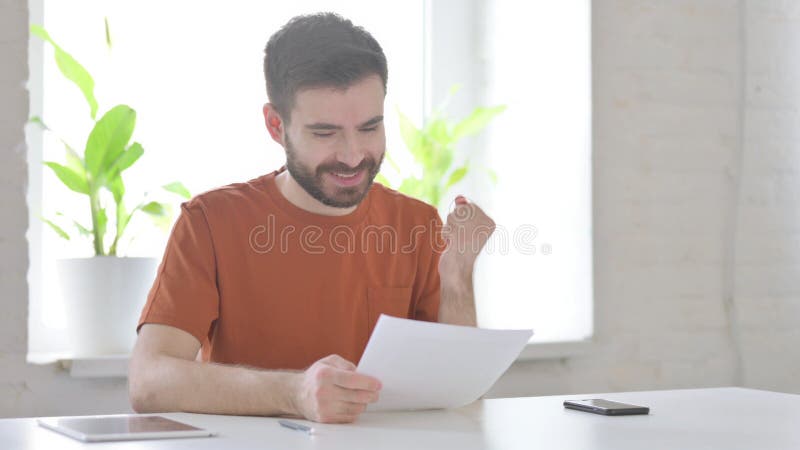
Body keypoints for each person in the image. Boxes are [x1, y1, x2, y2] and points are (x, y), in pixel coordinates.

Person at [128, 12, 495, 424]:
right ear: (275, 125)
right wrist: (295, 393)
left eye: (370, 127)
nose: (354, 155)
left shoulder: (416, 224)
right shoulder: (210, 223)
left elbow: (458, 393)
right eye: (325, 133)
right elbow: (149, 381)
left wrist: (459, 275)